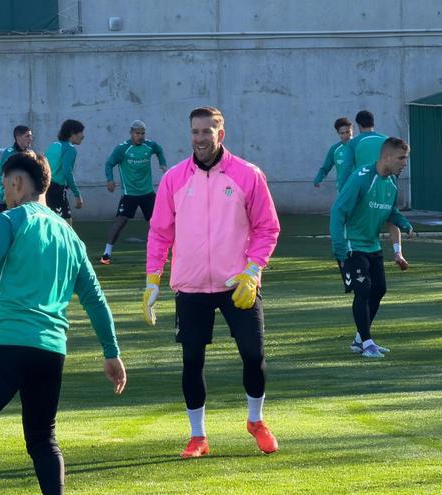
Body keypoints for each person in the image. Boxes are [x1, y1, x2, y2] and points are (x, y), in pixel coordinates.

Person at [0, 151, 126, 494]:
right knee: (43, 440)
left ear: (16, 182)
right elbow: (95, 299)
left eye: (4, 185)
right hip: (50, 353)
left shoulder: (9, 221)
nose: (4, 194)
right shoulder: (70, 236)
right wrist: (111, 351)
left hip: (6, 346)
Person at [143, 106, 281, 458]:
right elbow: (160, 232)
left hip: (238, 283)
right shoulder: (174, 178)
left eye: (208, 131)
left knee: (254, 355)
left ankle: (255, 421)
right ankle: (197, 436)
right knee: (192, 361)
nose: (201, 138)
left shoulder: (248, 175)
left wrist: (253, 270)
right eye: (195, 132)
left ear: (221, 133)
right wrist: (153, 279)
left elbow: (267, 228)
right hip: (190, 287)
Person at [329, 137, 414, 359]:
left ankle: (360, 339)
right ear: (386, 157)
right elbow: (338, 211)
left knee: (379, 290)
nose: (404, 163)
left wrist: (405, 225)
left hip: (372, 245)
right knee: (363, 289)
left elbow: (391, 212)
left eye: (406, 158)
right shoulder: (361, 178)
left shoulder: (392, 183)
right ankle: (367, 342)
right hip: (351, 245)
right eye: (401, 158)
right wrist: (339, 247)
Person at [100, 120, 167, 264]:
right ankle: (106, 253)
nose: (141, 136)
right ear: (131, 133)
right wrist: (109, 180)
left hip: (147, 193)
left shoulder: (149, 145)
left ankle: (160, 253)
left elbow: (159, 150)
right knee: (120, 222)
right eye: (138, 133)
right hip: (129, 194)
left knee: (156, 222)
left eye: (143, 133)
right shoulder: (123, 149)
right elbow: (109, 163)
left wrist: (162, 163)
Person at [0, 125, 33, 221]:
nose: (30, 139)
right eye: (27, 136)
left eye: (31, 136)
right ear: (18, 138)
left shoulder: (28, 154)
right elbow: (6, 179)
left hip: (12, 200)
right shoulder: (10, 153)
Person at [45, 119, 85, 225]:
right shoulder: (70, 149)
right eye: (81, 132)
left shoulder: (54, 145)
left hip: (44, 188)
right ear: (72, 133)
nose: (83, 136)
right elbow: (67, 172)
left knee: (50, 224)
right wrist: (77, 194)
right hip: (56, 190)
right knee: (66, 226)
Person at [313, 117, 354, 192]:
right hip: (342, 189)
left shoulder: (359, 145)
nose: (346, 135)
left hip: (358, 189)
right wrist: (318, 178)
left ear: (352, 131)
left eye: (348, 132)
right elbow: (325, 168)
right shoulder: (335, 149)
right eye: (342, 133)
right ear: (338, 133)